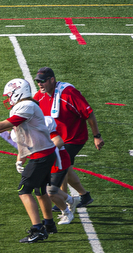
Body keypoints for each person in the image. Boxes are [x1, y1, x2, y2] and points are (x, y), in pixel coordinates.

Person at [0, 78, 62, 243]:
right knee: (40, 190)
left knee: (24, 190)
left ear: (17, 93)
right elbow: (6, 128)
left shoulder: (27, 106)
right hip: (44, 154)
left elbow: (1, 125)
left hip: (40, 156)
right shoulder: (28, 106)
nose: (8, 99)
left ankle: (38, 229)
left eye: (9, 95)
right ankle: (49, 224)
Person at [33, 66, 103, 208]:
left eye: (43, 81)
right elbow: (32, 108)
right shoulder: (41, 95)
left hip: (73, 138)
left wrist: (97, 136)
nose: (40, 84)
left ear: (52, 80)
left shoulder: (68, 94)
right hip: (56, 138)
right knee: (67, 167)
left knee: (61, 164)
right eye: (38, 82)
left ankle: (62, 199)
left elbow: (89, 113)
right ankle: (84, 195)